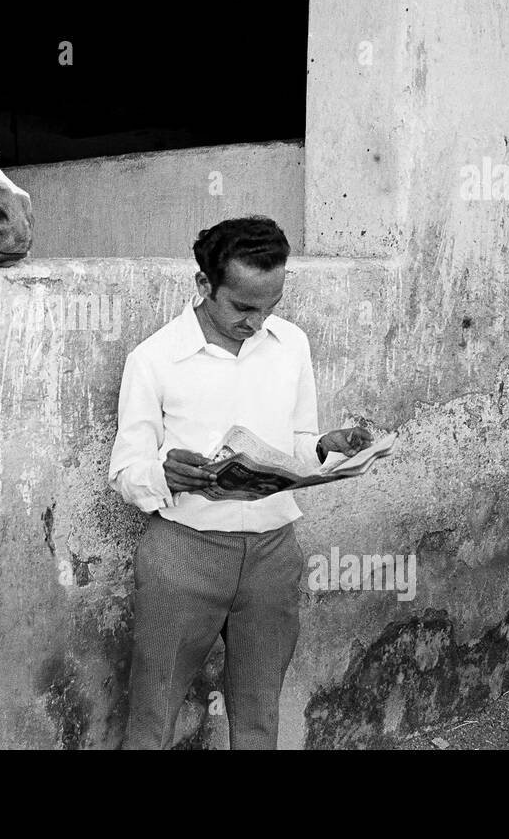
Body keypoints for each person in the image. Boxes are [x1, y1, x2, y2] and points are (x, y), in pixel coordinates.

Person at [108, 216, 372, 749]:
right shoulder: (154, 359)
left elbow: (296, 444)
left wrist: (326, 447)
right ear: (204, 285)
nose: (257, 322)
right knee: (153, 715)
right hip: (184, 553)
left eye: (270, 306)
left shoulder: (291, 345)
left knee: (258, 716)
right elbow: (125, 471)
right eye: (243, 308)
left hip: (274, 553)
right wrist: (163, 473)